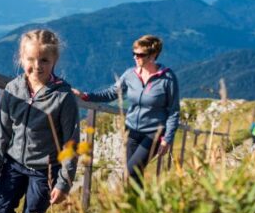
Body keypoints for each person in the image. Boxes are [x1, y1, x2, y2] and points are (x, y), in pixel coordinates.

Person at [0, 28, 80, 213]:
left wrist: (64, 182)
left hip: (45, 169)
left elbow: (70, 144)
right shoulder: (12, 90)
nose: (37, 66)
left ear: (54, 60)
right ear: (21, 58)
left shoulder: (63, 97)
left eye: (44, 59)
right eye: (30, 59)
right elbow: (2, 132)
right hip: (13, 163)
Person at [72, 34, 179, 188]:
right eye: (134, 53)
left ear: (153, 55)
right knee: (134, 176)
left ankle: (139, 208)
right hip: (131, 132)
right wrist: (86, 96)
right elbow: (111, 93)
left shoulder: (167, 78)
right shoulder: (130, 75)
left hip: (154, 133)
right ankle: (138, 210)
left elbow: (174, 111)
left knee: (130, 171)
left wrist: (167, 139)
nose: (136, 58)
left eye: (140, 55)